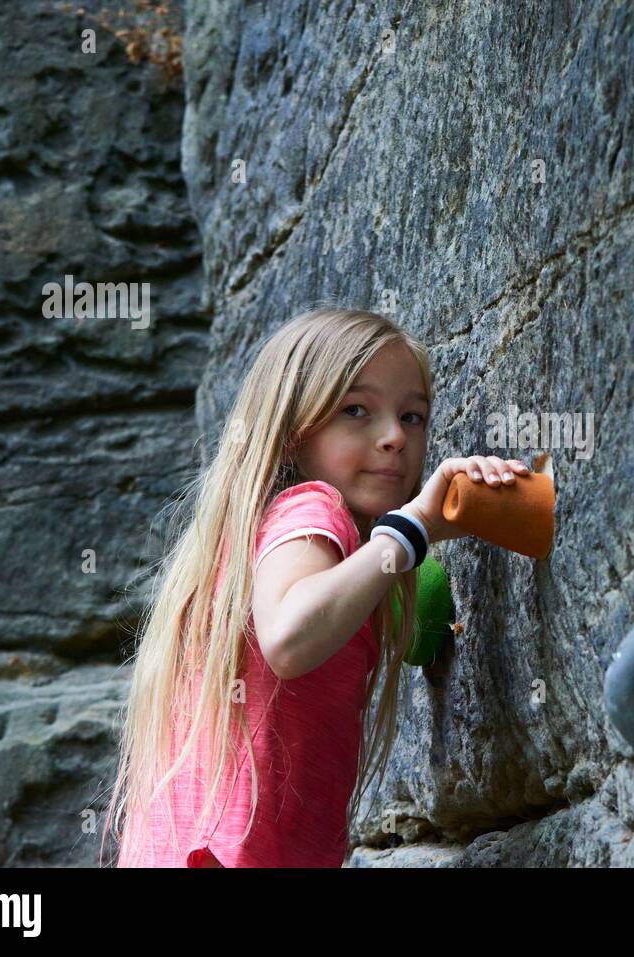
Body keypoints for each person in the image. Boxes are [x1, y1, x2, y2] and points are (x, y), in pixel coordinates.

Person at [104, 305, 529, 867]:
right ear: (291, 433)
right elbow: (290, 638)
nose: (393, 438)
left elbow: (387, 624)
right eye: (356, 410)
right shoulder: (312, 507)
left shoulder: (256, 538)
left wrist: (425, 545)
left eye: (413, 417)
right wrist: (412, 531)